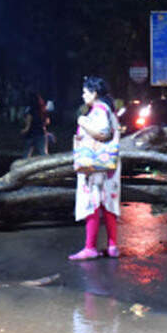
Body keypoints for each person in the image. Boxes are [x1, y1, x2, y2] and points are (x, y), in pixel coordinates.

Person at [68, 76, 122, 261]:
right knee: (108, 205)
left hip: (95, 166)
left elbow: (102, 132)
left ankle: (90, 247)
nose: (83, 96)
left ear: (94, 93)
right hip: (109, 165)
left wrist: (83, 122)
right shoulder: (109, 109)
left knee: (92, 202)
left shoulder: (98, 110)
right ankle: (112, 245)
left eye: (85, 92)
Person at [20, 91, 49, 158]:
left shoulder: (30, 111)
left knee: (26, 154)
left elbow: (28, 126)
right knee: (43, 153)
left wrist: (23, 131)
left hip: (31, 134)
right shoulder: (43, 111)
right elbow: (47, 122)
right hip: (41, 133)